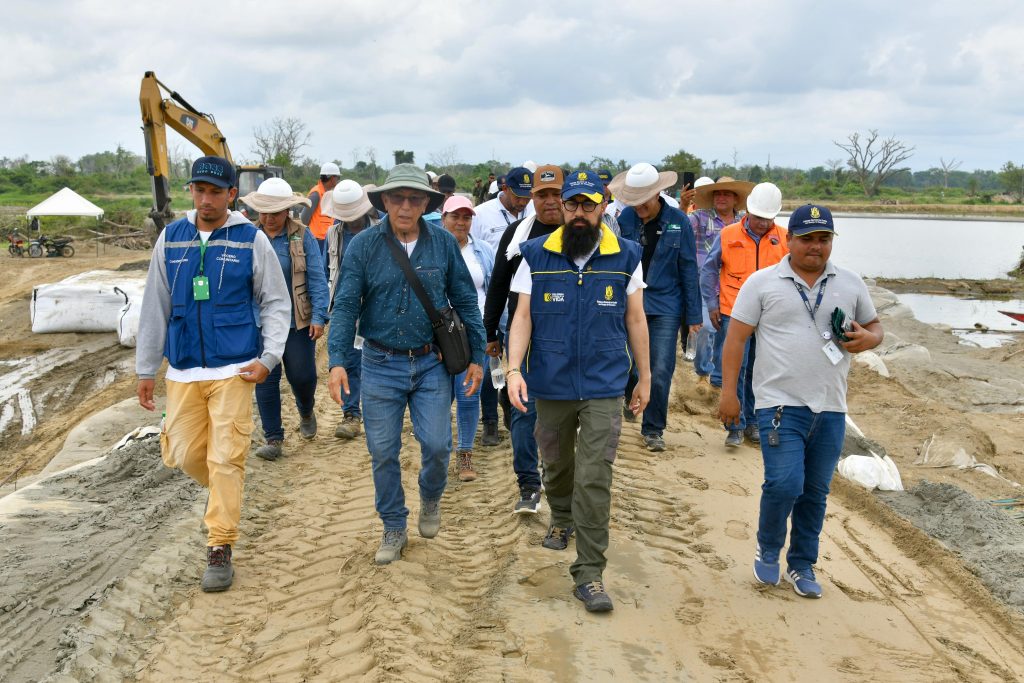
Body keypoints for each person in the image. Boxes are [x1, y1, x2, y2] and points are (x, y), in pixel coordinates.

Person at [135, 156, 291, 592]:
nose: (206, 199)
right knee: (183, 454)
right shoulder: (171, 238)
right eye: (199, 190)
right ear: (192, 192)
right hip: (183, 369)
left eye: (215, 192)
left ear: (231, 195)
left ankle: (219, 545)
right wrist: (146, 367)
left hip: (234, 368)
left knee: (225, 457)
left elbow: (276, 302)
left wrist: (269, 357)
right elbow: (155, 306)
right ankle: (229, 487)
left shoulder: (250, 238)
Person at [718, 204, 883, 598]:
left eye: (823, 239)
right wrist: (729, 394)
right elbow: (736, 339)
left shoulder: (850, 282)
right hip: (778, 404)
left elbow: (875, 327)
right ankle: (769, 547)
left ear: (831, 242)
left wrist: (869, 338)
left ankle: (802, 564)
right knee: (784, 484)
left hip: (831, 407)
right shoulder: (762, 283)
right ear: (788, 239)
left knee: (815, 491)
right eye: (806, 238)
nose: (815, 247)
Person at [506, 169, 651, 613]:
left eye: (590, 205)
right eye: (573, 205)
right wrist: (513, 369)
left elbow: (635, 319)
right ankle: (562, 516)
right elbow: (524, 317)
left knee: (595, 475)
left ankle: (589, 574)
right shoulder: (535, 254)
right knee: (557, 464)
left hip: (604, 385)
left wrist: (644, 377)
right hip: (550, 382)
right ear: (562, 208)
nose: (580, 214)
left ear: (604, 206)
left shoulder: (626, 255)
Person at [327, 164, 486, 565]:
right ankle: (394, 525)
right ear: (383, 201)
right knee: (382, 451)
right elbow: (345, 305)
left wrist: (478, 358)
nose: (405, 206)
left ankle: (431, 497)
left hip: (431, 363)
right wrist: (337, 361)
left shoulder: (444, 244)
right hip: (379, 363)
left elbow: (465, 301)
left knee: (437, 445)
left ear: (426, 204)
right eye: (397, 198)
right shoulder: (363, 246)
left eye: (414, 199)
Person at [483, 164, 565, 514]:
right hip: (525, 334)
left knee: (564, 415)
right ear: (533, 198)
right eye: (542, 195)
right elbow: (499, 284)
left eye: (556, 194)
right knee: (523, 410)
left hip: (570, 338)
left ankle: (561, 480)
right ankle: (529, 485)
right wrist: (490, 333)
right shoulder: (519, 235)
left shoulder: (583, 232)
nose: (550, 201)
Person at [612, 163, 702, 452]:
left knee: (661, 368)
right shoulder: (624, 218)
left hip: (666, 304)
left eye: (644, 202)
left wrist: (693, 317)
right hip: (628, 303)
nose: (639, 208)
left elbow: (689, 268)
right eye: (634, 202)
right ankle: (631, 394)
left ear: (659, 194)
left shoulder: (679, 221)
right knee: (628, 366)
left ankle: (653, 429)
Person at [242, 178, 330, 461]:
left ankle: (306, 409)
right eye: (263, 212)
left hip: (295, 320)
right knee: (265, 379)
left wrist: (318, 315)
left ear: (287, 212)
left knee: (303, 375)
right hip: (259, 321)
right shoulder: (248, 236)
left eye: (275, 213)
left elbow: (316, 277)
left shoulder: (301, 236)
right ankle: (274, 438)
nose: (268, 218)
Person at [700, 182, 787, 448]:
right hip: (733, 312)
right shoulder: (728, 234)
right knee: (734, 370)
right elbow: (709, 270)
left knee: (759, 372)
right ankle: (734, 425)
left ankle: (753, 422)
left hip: (769, 318)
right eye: (758, 217)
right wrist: (712, 305)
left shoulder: (784, 238)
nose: (762, 223)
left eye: (767, 218)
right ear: (749, 211)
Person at [441, 195, 495, 481]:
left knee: (468, 393)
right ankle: (438, 451)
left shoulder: (482, 250)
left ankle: (465, 454)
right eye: (455, 216)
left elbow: (493, 289)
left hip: (474, 331)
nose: (461, 222)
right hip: (438, 334)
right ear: (443, 217)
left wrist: (495, 329)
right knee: (438, 396)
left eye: (466, 217)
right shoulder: (431, 249)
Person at [325, 180, 382, 440]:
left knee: (374, 357)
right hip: (346, 304)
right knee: (348, 359)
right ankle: (351, 414)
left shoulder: (381, 230)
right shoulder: (333, 234)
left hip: (375, 303)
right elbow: (330, 268)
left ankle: (377, 409)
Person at [690, 177, 752, 387]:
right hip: (704, 285)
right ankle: (702, 369)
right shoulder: (698, 217)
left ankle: (717, 379)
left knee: (726, 334)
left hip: (734, 287)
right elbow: (679, 229)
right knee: (706, 329)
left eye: (727, 194)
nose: (721, 198)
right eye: (718, 194)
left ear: (736, 200)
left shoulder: (745, 223)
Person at [471, 167, 532, 251]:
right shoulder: (479, 215)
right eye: (518, 196)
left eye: (528, 197)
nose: (523, 202)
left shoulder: (535, 210)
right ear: (505, 188)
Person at [302, 162, 342, 260]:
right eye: (338, 178)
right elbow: (304, 218)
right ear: (332, 178)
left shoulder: (329, 193)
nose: (338, 181)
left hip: (328, 238)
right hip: (317, 240)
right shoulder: (316, 194)